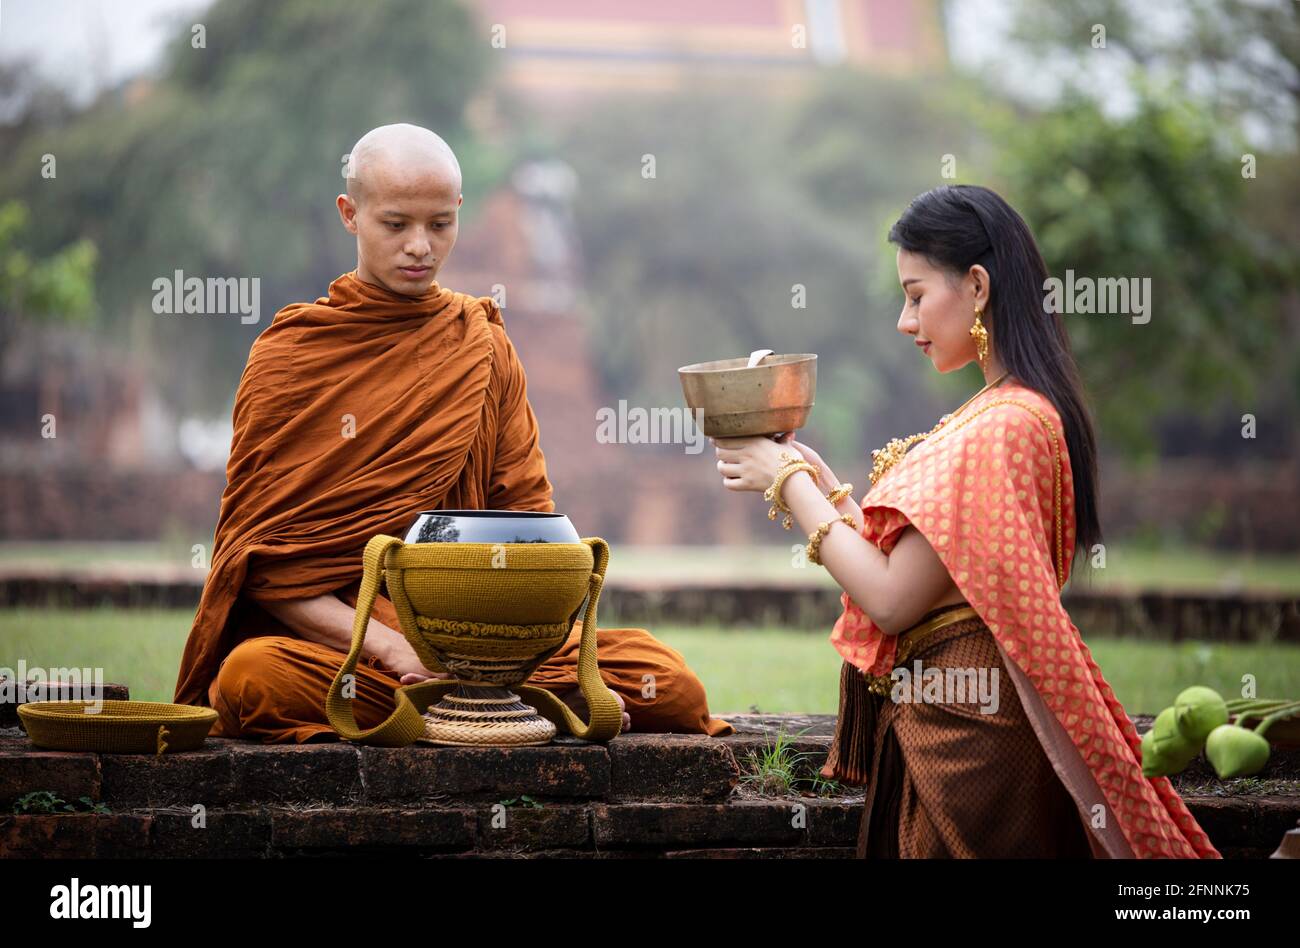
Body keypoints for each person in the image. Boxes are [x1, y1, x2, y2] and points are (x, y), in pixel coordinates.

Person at [173, 123, 733, 742]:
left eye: (439, 225)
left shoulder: (482, 344)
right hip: (355, 646)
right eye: (395, 225)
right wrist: (393, 650)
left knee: (671, 684)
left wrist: (504, 648)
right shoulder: (289, 358)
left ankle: (484, 696)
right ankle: (503, 704)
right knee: (251, 679)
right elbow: (266, 570)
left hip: (488, 634)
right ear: (349, 214)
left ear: (459, 213)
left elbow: (529, 524)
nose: (420, 246)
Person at [710, 184, 1219, 858]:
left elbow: (892, 599)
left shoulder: (1005, 425)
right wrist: (819, 481)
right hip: (959, 716)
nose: (904, 319)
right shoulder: (1009, 410)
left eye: (917, 295)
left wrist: (787, 482)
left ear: (977, 286)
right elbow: (925, 571)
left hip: (971, 741)